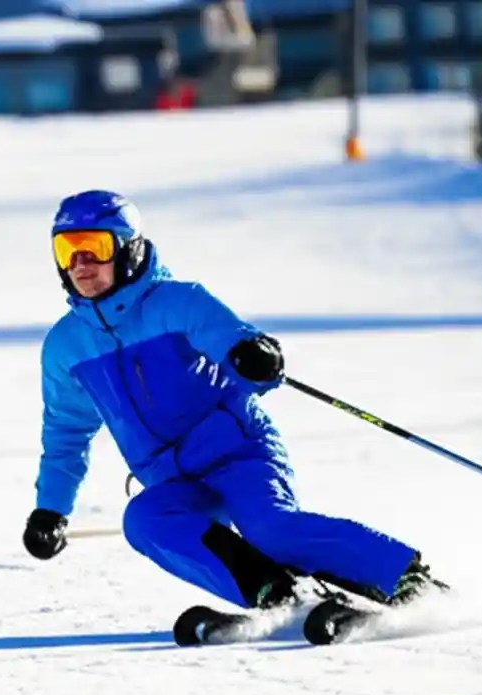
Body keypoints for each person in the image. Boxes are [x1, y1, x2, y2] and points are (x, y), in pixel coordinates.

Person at [22, 190, 441, 627]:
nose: (81, 264)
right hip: (173, 477)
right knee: (146, 519)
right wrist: (51, 510)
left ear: (127, 249)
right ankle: (274, 592)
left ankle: (403, 578)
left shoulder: (176, 303)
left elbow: (232, 339)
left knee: (271, 530)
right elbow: (66, 433)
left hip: (239, 453)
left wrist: (255, 356)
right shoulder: (66, 346)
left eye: (95, 247)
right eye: (67, 250)